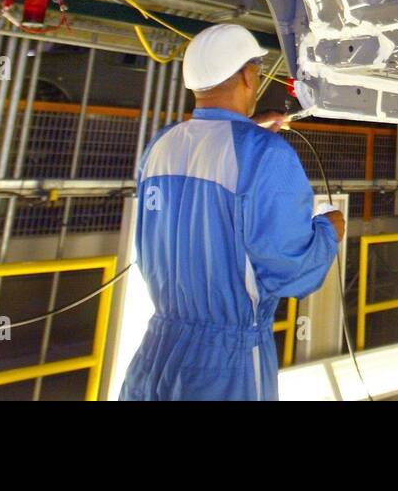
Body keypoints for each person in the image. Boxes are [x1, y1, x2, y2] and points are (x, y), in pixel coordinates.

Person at [121, 24, 344, 400]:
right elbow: (292, 273)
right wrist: (329, 231)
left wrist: (248, 132)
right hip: (223, 369)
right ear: (247, 74)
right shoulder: (266, 155)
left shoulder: (161, 145)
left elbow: (208, 157)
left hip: (153, 357)